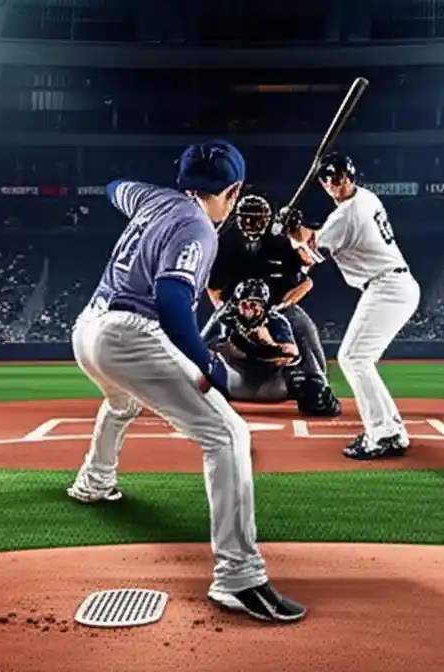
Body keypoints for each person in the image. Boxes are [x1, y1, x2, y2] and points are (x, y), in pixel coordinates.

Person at [65, 139, 306, 623]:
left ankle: (95, 481)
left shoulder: (153, 198)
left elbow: (116, 188)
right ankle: (239, 577)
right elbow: (173, 301)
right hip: (128, 335)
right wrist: (206, 367)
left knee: (121, 402)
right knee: (228, 434)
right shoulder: (199, 227)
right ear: (233, 190)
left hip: (86, 330)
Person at [279, 152, 420, 461]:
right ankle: (391, 430)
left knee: (353, 358)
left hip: (386, 286)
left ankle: (381, 435)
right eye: (328, 177)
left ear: (350, 175)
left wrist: (291, 230)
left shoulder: (347, 214)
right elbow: (317, 237)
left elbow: (309, 255)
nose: (334, 182)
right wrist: (297, 231)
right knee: (359, 359)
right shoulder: (365, 199)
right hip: (394, 284)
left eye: (339, 176)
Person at [203, 192, 339, 417]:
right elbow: (213, 286)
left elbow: (307, 274)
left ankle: (317, 385)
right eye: (246, 218)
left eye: (256, 218)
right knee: (204, 340)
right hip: (237, 307)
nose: (250, 223)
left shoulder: (280, 242)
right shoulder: (224, 244)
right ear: (237, 218)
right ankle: (194, 384)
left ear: (267, 219)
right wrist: (223, 308)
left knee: (303, 329)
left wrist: (296, 232)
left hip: (276, 306)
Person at [207, 278, 310, 404]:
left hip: (270, 384)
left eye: (254, 305)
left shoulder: (275, 320)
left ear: (263, 306)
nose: (249, 310)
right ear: (237, 305)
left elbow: (292, 353)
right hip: (233, 379)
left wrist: (268, 345)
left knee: (307, 380)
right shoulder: (223, 319)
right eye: (244, 304)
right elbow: (201, 345)